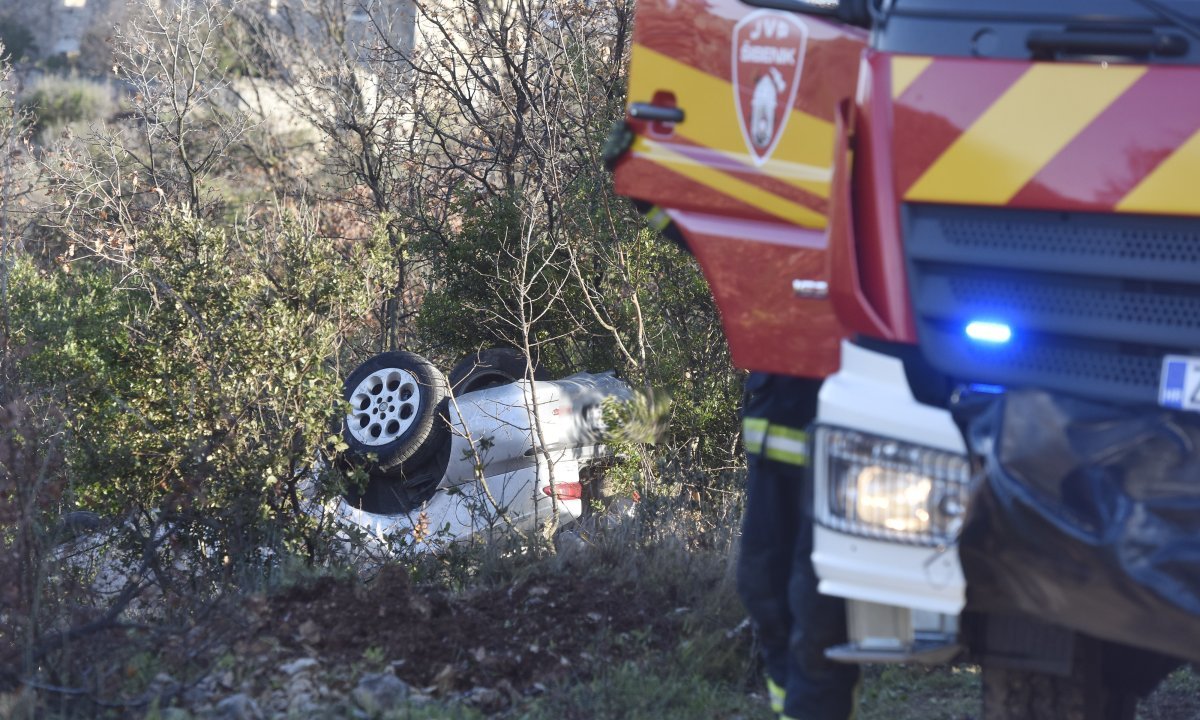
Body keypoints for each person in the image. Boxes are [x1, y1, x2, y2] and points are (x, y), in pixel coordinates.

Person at [737, 372, 860, 720]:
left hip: (845, 429)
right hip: (777, 413)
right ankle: (791, 710)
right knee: (762, 587)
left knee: (818, 614)